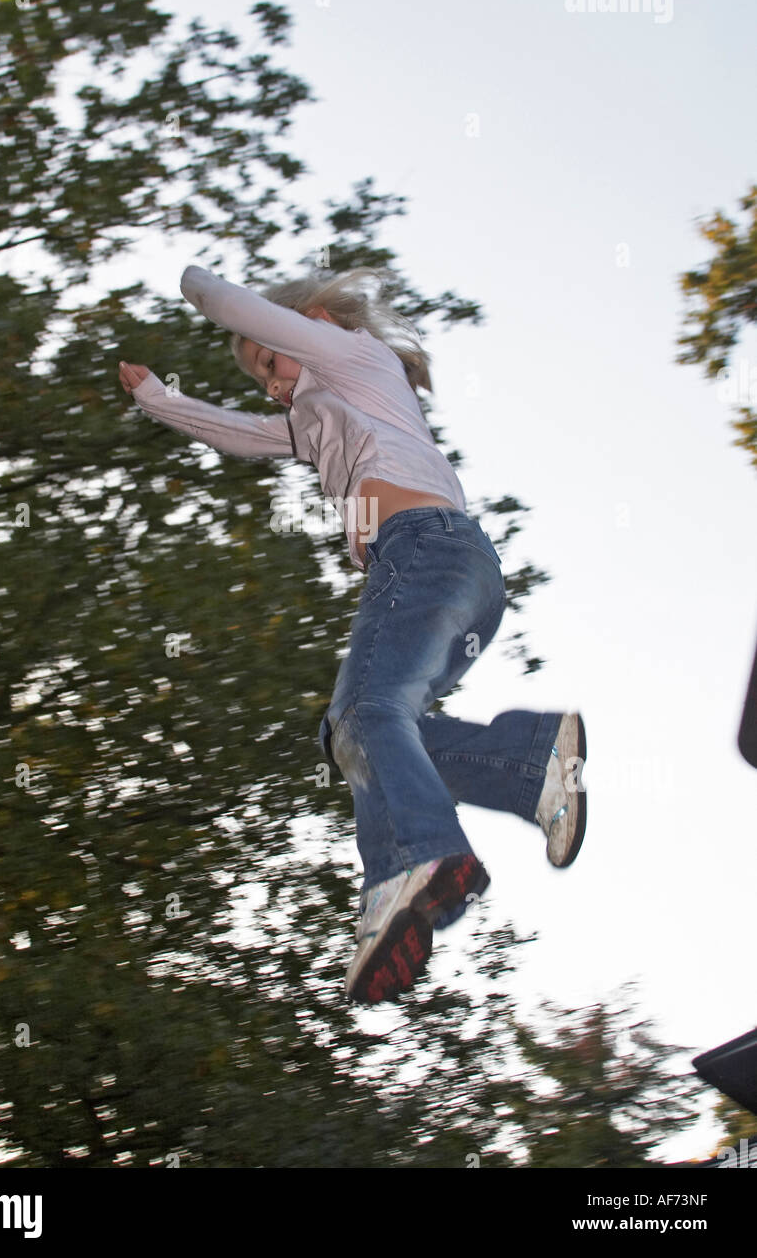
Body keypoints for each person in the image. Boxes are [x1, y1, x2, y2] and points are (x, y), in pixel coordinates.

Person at [119, 263, 587, 1006]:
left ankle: (416, 858)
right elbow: (237, 436)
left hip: (425, 550)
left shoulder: (353, 358)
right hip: (453, 572)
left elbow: (236, 305)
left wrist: (192, 284)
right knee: (362, 730)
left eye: (270, 361)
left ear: (317, 326)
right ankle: (526, 765)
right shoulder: (313, 423)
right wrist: (156, 398)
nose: (271, 385)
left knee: (364, 717)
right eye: (262, 379)